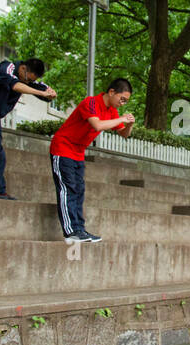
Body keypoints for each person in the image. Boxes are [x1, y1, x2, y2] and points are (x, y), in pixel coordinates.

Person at [48, 78, 134, 243]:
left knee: (79, 190)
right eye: (122, 99)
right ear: (111, 92)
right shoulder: (91, 102)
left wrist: (129, 124)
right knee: (68, 189)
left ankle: (79, 229)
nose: (123, 103)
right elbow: (97, 125)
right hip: (63, 148)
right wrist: (122, 119)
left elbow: (124, 134)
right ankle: (70, 231)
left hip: (78, 153)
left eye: (126, 101)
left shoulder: (112, 111)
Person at [0, 57, 57, 199]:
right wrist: (40, 92)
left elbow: (41, 88)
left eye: (30, 81)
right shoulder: (6, 68)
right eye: (27, 79)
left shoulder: (27, 79)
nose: (28, 83)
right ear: (23, 68)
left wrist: (50, 94)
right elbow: (15, 85)